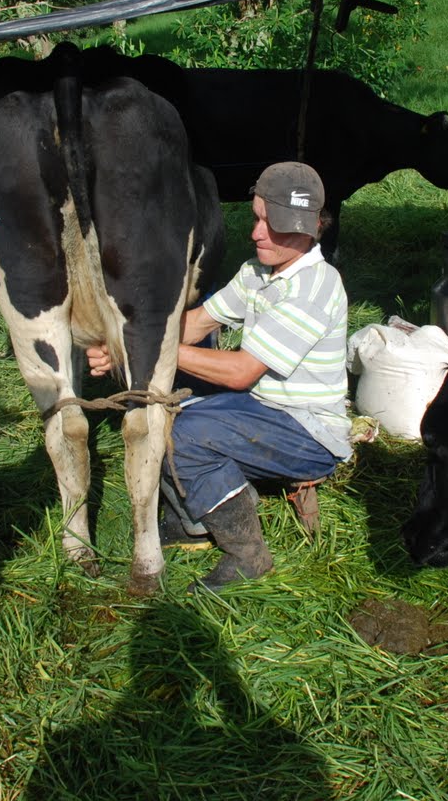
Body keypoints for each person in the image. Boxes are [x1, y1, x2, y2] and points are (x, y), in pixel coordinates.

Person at [87, 161, 351, 590]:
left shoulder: (315, 287)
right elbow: (196, 324)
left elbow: (241, 372)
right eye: (256, 218)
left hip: (308, 432)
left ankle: (248, 555)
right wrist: (123, 343)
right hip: (265, 408)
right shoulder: (257, 273)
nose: (255, 233)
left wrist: (145, 349)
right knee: (160, 399)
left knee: (181, 433)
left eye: (272, 224)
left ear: (308, 226)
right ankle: (193, 519)